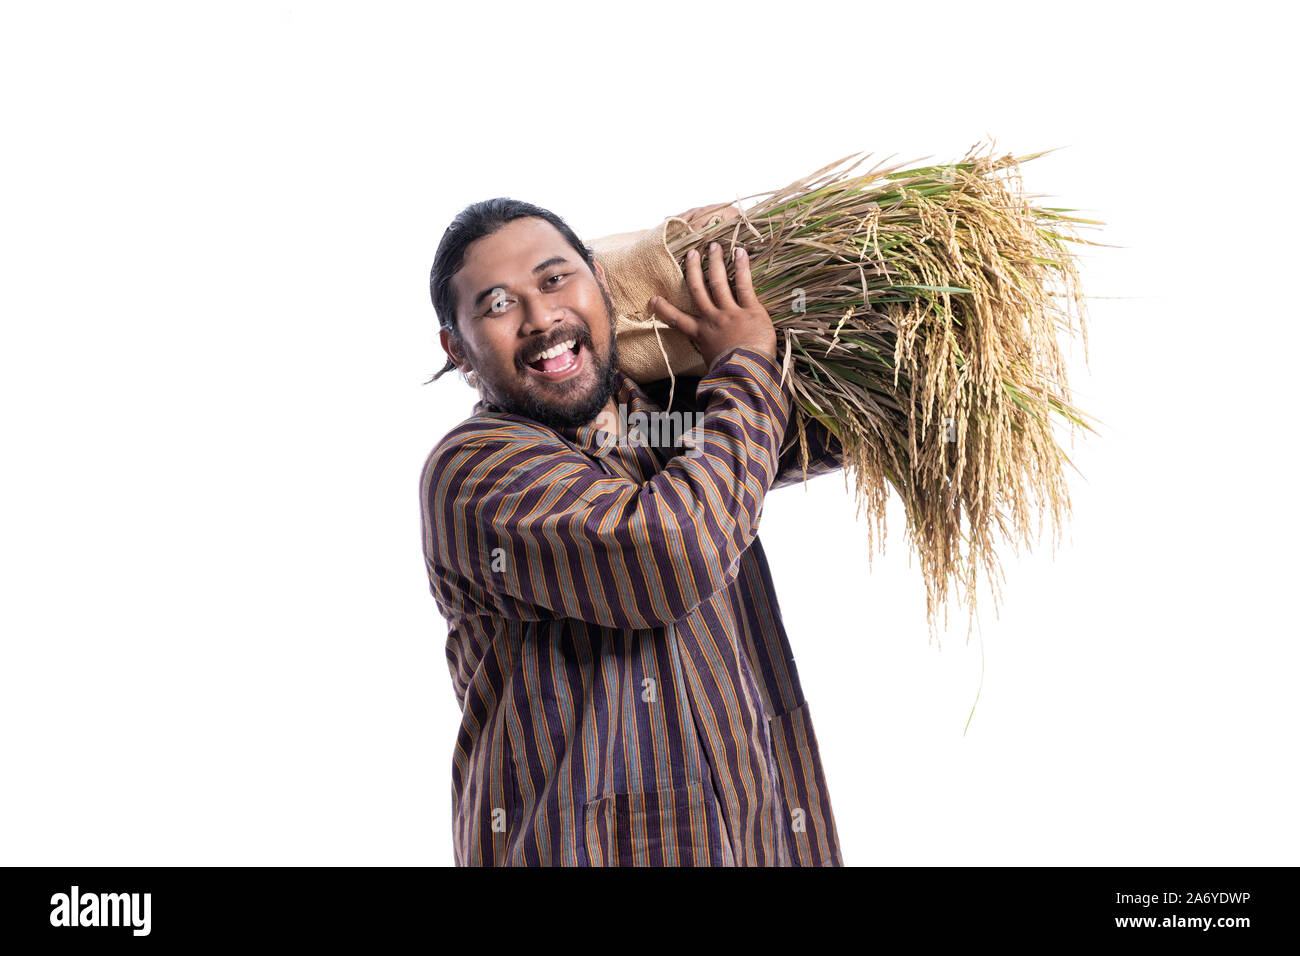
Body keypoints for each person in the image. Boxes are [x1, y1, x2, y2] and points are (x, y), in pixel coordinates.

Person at [420, 197, 845, 866]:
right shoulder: (476, 469)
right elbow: (673, 554)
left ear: (600, 284)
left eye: (557, 279)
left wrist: (744, 259)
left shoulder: (653, 422)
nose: (541, 317)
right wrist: (744, 364)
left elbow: (822, 429)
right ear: (458, 350)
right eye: (497, 305)